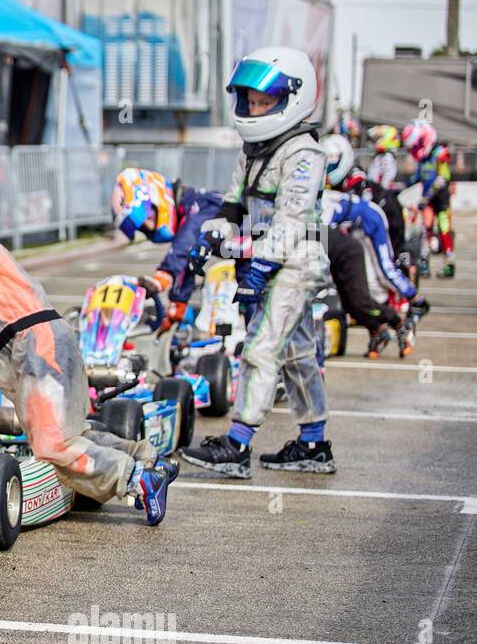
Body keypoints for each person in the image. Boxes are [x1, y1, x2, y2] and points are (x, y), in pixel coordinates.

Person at [0, 181, 175, 525]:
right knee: (72, 437)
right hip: (48, 342)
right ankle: (148, 461)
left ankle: (139, 479)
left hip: (35, 345)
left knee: (51, 445)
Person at [180, 46, 334, 479]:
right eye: (250, 100)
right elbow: (233, 207)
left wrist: (261, 268)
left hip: (298, 261)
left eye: (265, 101)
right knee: (298, 353)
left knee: (260, 348)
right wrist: (212, 239)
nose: (254, 108)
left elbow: (292, 219)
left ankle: (238, 445)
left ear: (293, 99)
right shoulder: (254, 148)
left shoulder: (305, 154)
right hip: (268, 258)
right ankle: (314, 444)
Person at [319, 134, 427, 358]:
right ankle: (377, 330)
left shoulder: (358, 182)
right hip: (349, 234)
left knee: (381, 275)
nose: (328, 170)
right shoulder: (321, 185)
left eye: (332, 164)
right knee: (352, 295)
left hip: (371, 226)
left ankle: (412, 301)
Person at [110, 167, 224, 326]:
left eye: (148, 216)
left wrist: (161, 278)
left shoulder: (199, 206)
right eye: (142, 227)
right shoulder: (191, 209)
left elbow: (185, 245)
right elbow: (189, 261)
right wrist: (177, 304)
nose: (149, 227)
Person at [401, 119, 455, 277]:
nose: (416, 149)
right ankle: (424, 263)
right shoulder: (423, 158)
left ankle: (449, 264)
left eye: (417, 144)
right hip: (428, 200)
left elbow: (443, 178)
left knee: (444, 230)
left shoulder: (441, 153)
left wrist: (428, 195)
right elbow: (418, 176)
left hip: (442, 199)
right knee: (426, 229)